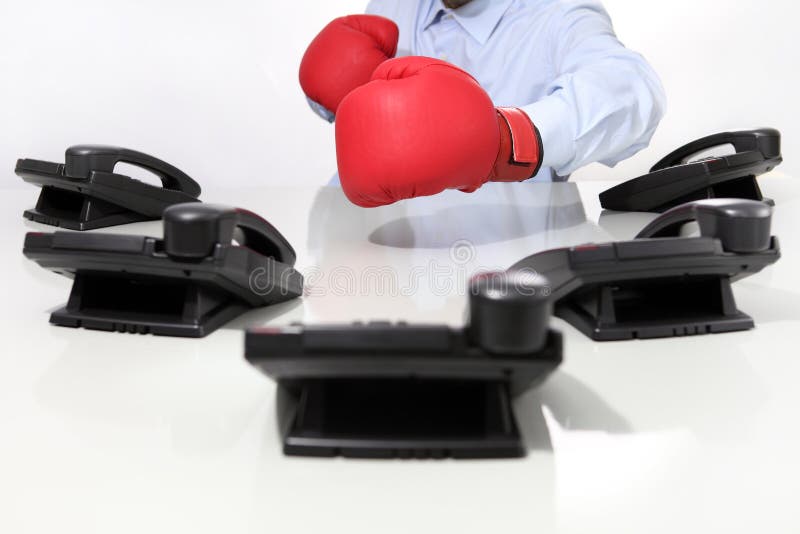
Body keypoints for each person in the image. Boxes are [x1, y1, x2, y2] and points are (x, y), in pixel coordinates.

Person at [300, 0, 666, 207]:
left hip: (501, 272)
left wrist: (511, 137)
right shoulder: (395, 6)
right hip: (368, 262)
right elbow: (372, 120)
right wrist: (337, 98)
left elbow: (633, 89)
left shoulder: (558, 15)